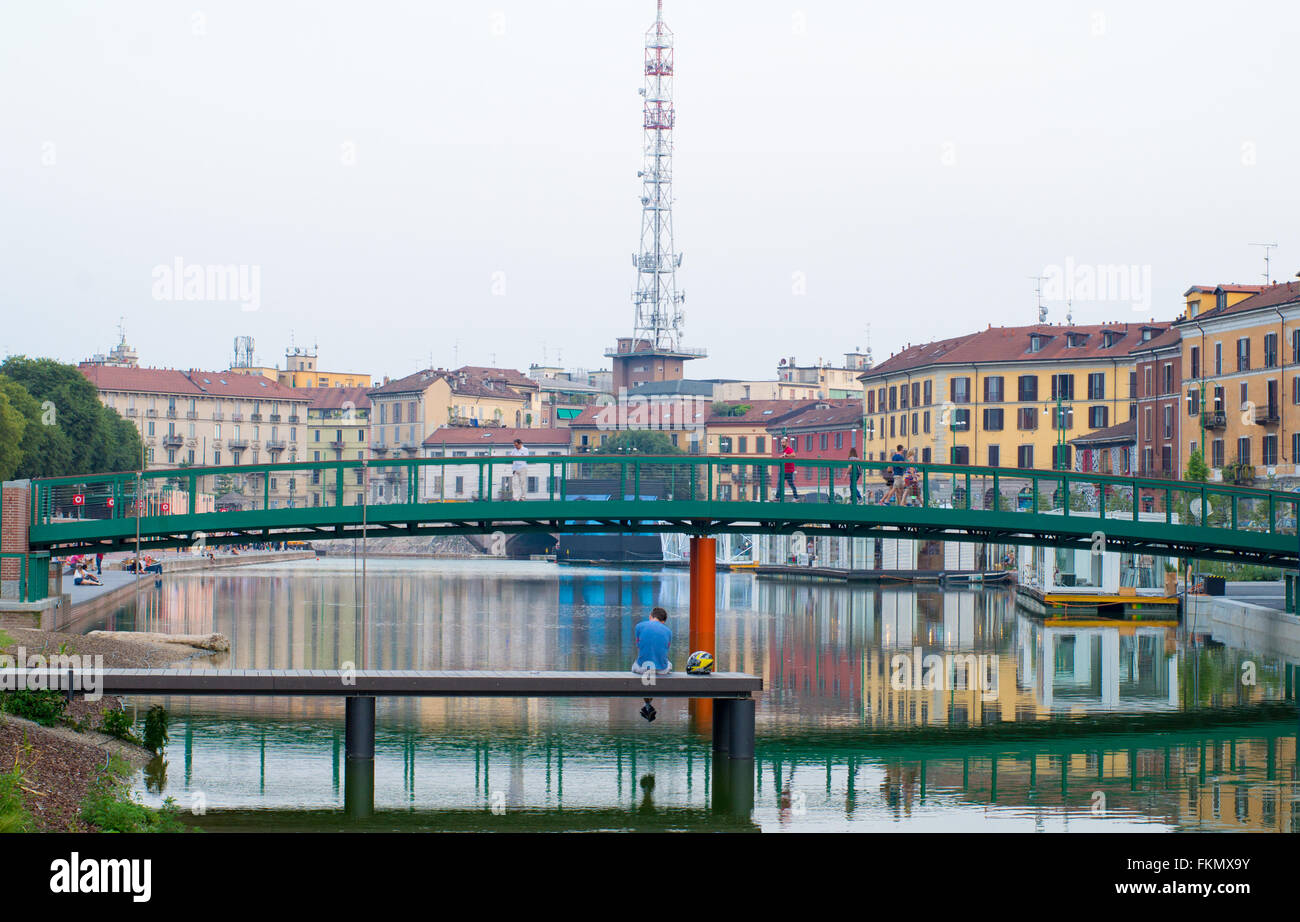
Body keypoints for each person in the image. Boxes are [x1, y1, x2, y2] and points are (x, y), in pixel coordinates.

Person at [631, 606, 672, 721]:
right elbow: (665, 650)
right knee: (667, 664)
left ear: (650, 616)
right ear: (663, 621)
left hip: (643, 668)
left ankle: (647, 703)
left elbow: (639, 647)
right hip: (661, 670)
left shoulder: (639, 626)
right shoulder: (668, 631)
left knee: (645, 667)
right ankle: (648, 704)